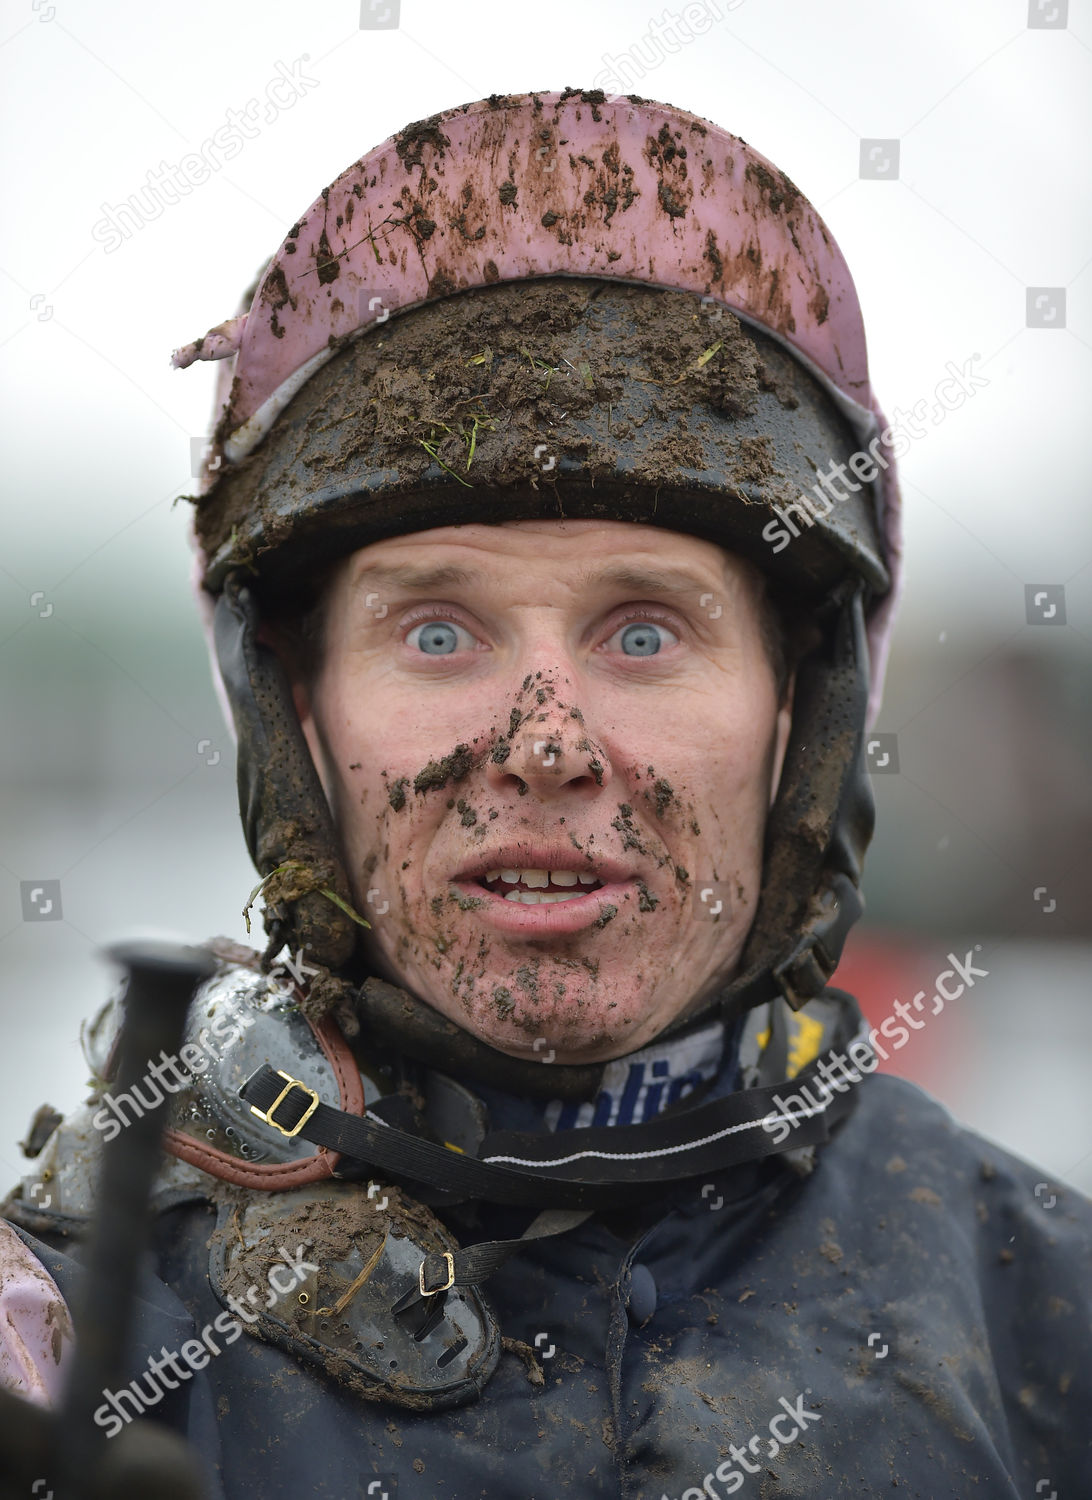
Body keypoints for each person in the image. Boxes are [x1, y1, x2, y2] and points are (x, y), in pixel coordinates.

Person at [3, 89, 1089, 1500]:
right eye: (436, 631)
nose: (546, 745)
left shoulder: (1044, 1316)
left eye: (644, 632)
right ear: (302, 712)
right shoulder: (63, 1353)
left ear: (793, 712)